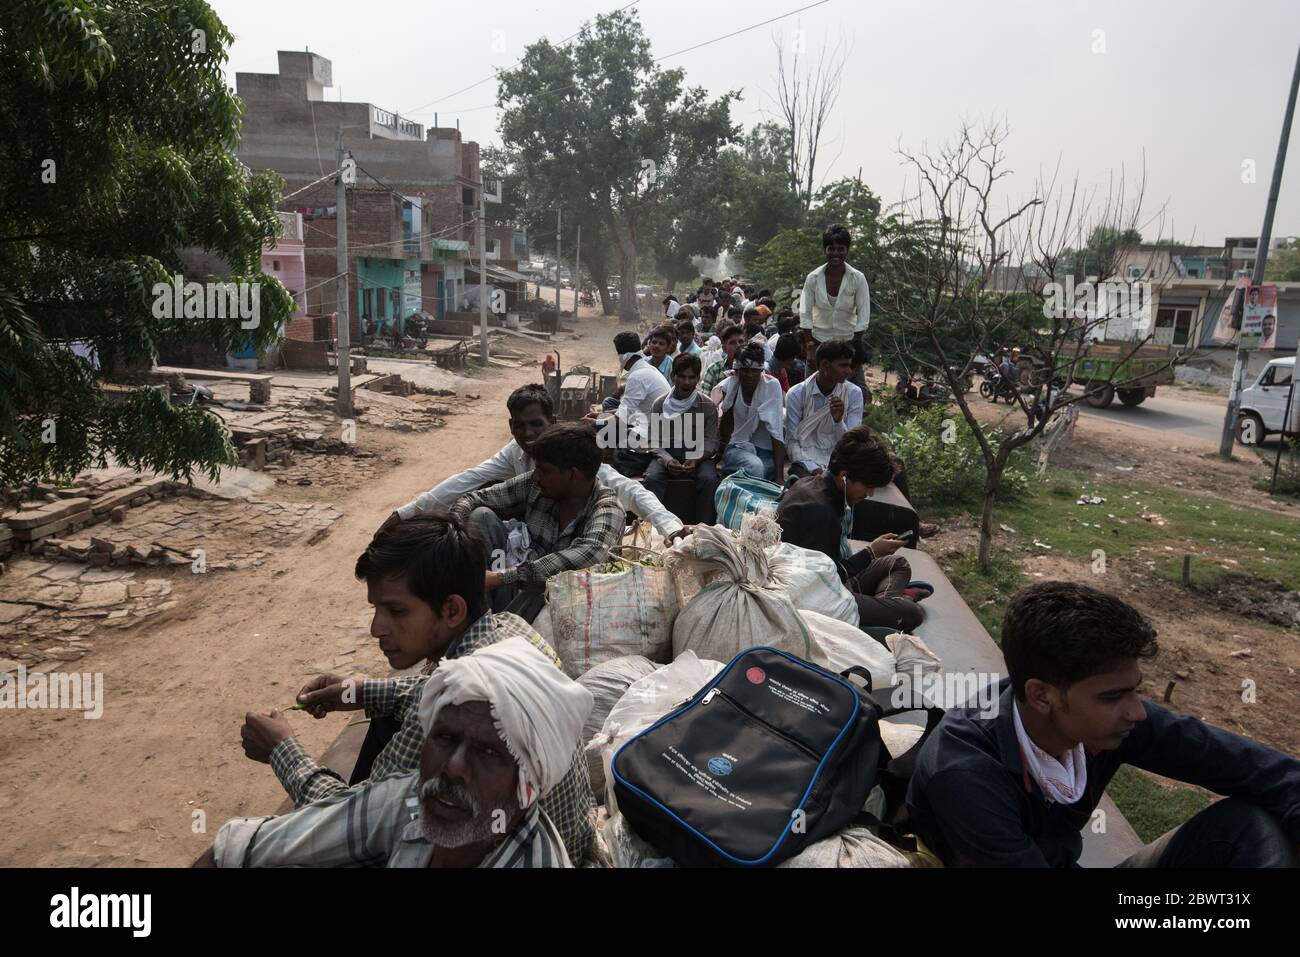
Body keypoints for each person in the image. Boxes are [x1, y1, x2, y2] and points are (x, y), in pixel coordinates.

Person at [235, 516, 596, 858]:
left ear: (452, 610)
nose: (377, 628)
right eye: (376, 609)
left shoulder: (447, 718)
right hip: (572, 844)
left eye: (396, 611)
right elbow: (428, 684)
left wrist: (282, 750)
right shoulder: (510, 632)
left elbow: (343, 821)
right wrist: (356, 692)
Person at [907, 581, 1300, 868]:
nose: (1138, 712)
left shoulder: (1097, 720)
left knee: (1249, 826)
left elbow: (1250, 767)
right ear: (1043, 695)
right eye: (1113, 697)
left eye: (1134, 691)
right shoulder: (966, 772)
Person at [212, 638, 591, 868]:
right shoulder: (414, 798)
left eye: (489, 753)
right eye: (443, 738)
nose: (454, 767)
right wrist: (354, 692)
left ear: (527, 787)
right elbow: (239, 848)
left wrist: (284, 751)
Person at [389, 385, 686, 541]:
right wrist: (406, 514)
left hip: (575, 544)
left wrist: (669, 526)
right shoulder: (513, 454)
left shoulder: (574, 450)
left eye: (536, 424)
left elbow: (629, 490)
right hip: (530, 541)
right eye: (520, 426)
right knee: (478, 517)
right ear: (510, 426)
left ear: (552, 422)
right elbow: (466, 481)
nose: (528, 435)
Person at [450, 422, 623, 621]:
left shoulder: (607, 509)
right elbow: (473, 498)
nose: (536, 476)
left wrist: (500, 578)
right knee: (481, 516)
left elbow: (587, 555)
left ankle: (493, 631)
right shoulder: (536, 485)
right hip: (514, 582)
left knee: (545, 586)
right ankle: (480, 618)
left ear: (572, 475)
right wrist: (452, 529)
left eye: (544, 470)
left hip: (561, 603)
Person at [776, 427, 924, 633]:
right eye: (868, 486)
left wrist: (874, 553)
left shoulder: (814, 484)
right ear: (845, 476)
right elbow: (824, 581)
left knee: (897, 563)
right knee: (912, 613)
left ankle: (883, 607)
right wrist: (871, 553)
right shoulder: (819, 510)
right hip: (817, 595)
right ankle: (887, 608)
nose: (871, 494)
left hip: (833, 579)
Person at [643, 352, 721, 525]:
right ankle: (653, 526)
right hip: (667, 453)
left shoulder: (707, 405)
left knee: (709, 480)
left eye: (692, 377)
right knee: (652, 479)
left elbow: (711, 441)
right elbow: (653, 441)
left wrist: (696, 459)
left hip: (698, 457)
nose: (687, 382)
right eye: (682, 377)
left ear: (698, 378)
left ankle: (704, 528)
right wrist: (668, 460)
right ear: (673, 377)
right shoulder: (659, 404)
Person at [591, 330, 671, 476]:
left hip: (655, 434)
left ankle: (631, 465)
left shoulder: (638, 376)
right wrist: (599, 416)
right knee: (607, 412)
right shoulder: (645, 367)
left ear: (623, 356)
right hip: (649, 422)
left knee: (599, 434)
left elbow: (621, 419)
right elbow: (628, 410)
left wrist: (594, 424)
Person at [785, 339, 864, 478]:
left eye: (849, 366)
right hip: (806, 461)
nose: (848, 371)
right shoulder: (797, 394)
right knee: (809, 485)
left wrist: (838, 421)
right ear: (824, 365)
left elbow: (852, 443)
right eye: (843, 365)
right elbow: (792, 442)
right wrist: (814, 469)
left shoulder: (853, 393)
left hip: (840, 460)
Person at [716, 342, 786, 482]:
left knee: (765, 471)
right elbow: (725, 433)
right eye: (745, 370)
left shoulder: (771, 386)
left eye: (754, 370)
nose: (749, 375)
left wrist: (780, 477)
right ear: (737, 370)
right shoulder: (731, 386)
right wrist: (729, 401)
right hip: (737, 447)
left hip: (764, 451)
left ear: (761, 371)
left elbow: (776, 431)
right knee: (755, 468)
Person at [800, 223, 871, 359]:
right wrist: (810, 349)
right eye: (831, 249)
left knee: (857, 381)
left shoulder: (858, 278)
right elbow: (805, 314)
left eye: (840, 249)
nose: (836, 253)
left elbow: (863, 316)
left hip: (848, 345)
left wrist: (856, 348)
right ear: (825, 250)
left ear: (847, 250)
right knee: (812, 380)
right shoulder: (812, 278)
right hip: (818, 343)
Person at [701, 322, 744, 396]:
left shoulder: (752, 370)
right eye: (732, 343)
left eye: (741, 341)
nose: (738, 346)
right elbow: (706, 400)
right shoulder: (714, 370)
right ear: (724, 348)